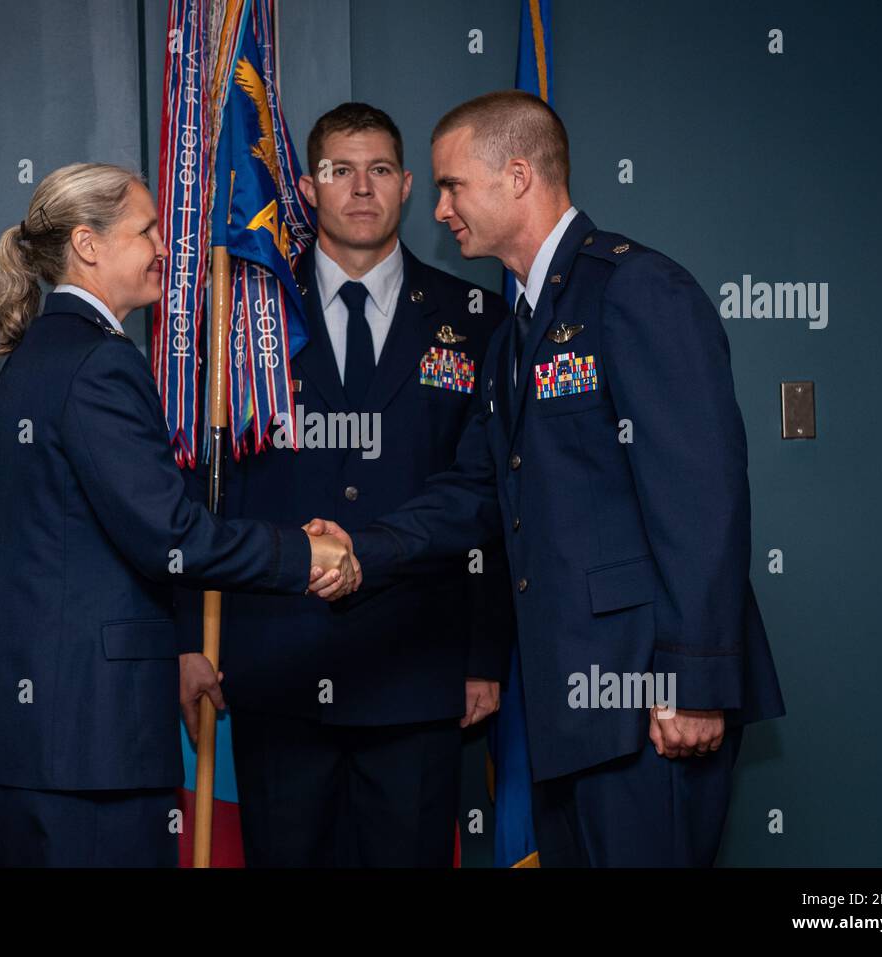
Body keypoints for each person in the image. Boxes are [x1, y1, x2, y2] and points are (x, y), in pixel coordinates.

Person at [315, 91, 785, 866]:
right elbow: (475, 492)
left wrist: (696, 680)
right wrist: (363, 549)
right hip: (569, 717)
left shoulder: (636, 291)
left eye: (452, 186)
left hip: (649, 702)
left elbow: (703, 495)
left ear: (520, 175)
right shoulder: (514, 336)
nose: (438, 209)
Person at [0, 162, 358, 867]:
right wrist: (304, 554)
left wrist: (177, 647)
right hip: (94, 749)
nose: (164, 247)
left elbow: (68, 551)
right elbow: (168, 536)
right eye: (146, 230)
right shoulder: (101, 363)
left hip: (28, 741)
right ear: (87, 245)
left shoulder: (26, 364)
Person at [177, 104, 513, 867]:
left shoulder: (476, 317)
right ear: (306, 187)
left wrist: (483, 652)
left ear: (408, 186)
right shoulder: (242, 317)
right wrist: (189, 639)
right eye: (339, 170)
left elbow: (492, 494)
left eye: (381, 170)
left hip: (417, 669)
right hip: (277, 666)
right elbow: (198, 487)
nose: (361, 188)